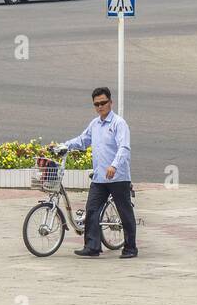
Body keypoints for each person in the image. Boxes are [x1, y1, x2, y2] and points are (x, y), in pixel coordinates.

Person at [55, 87, 137, 258]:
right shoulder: (95, 124)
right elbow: (83, 140)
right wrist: (64, 146)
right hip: (100, 177)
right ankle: (92, 246)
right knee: (92, 209)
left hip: (117, 177)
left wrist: (114, 166)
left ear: (110, 103)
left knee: (124, 211)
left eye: (103, 103)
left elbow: (124, 148)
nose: (100, 107)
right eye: (96, 104)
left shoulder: (118, 124)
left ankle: (130, 248)